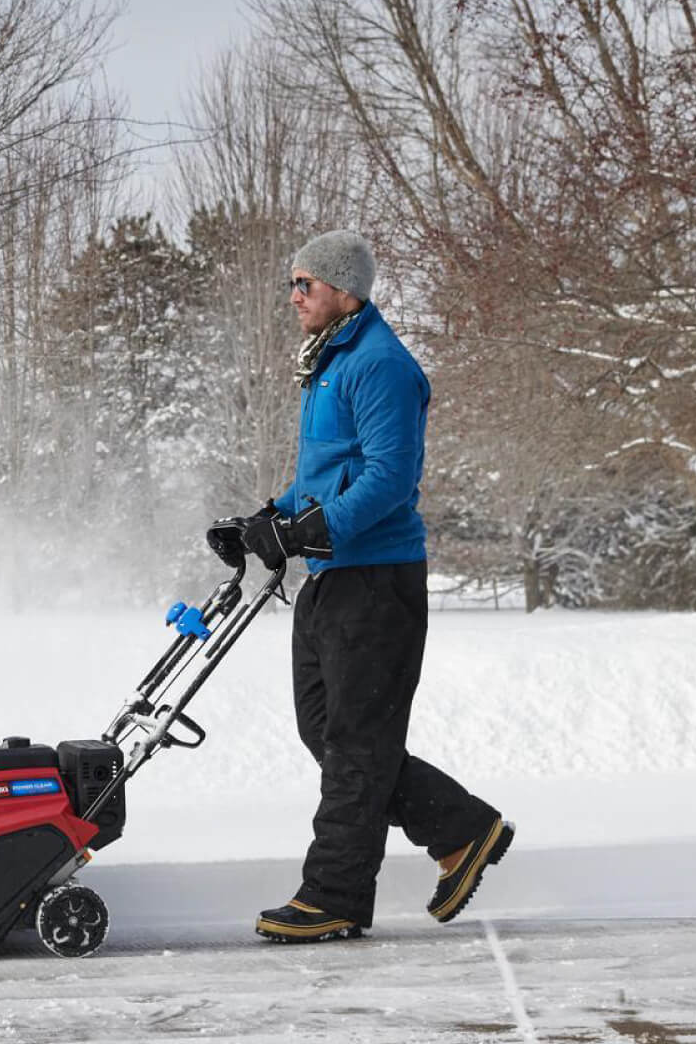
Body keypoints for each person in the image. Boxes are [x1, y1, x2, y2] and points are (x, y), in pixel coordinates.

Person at [206, 229, 513, 943]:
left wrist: (310, 531)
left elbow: (389, 478)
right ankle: (463, 829)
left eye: (304, 284)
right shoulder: (331, 363)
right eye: (293, 283)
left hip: (376, 580)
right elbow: (324, 475)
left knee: (354, 744)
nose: (293, 297)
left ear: (344, 288)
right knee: (332, 734)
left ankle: (336, 895)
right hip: (333, 579)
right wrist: (266, 521)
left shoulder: (379, 365)